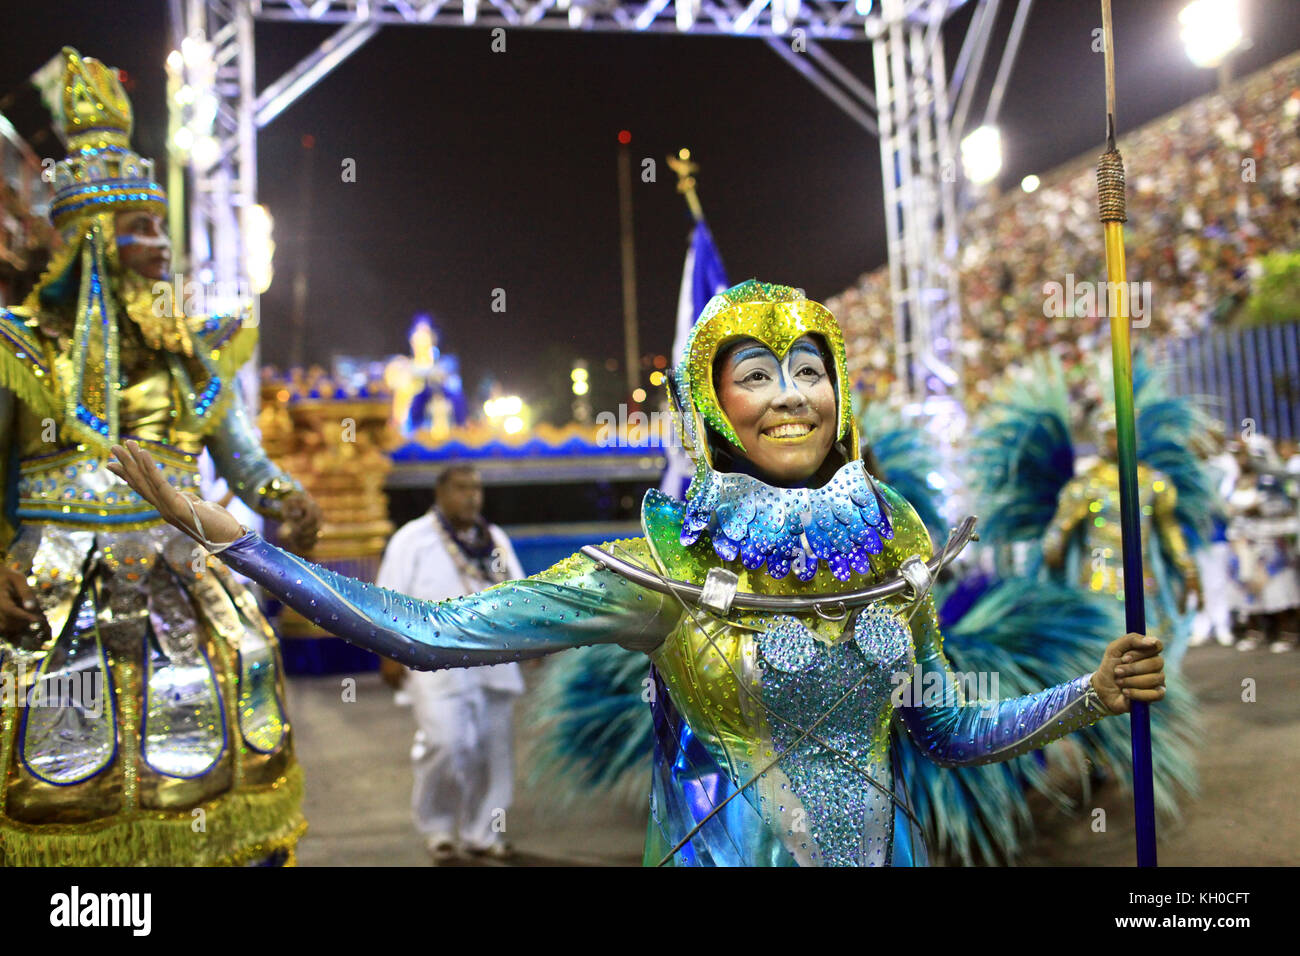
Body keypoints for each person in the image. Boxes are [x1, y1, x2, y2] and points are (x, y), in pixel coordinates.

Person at [109, 279, 1165, 867]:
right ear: (713, 406)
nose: (791, 395)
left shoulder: (890, 538)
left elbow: (939, 730)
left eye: (810, 370)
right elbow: (431, 631)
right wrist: (227, 533)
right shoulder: (664, 561)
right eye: (756, 374)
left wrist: (1090, 695)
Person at [0, 49, 321, 866]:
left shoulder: (195, 357)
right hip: (53, 581)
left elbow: (245, 461)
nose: (160, 245)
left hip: (184, 572)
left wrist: (286, 496)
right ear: (92, 245)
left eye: (159, 227)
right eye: (139, 229)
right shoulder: (23, 348)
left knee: (215, 746)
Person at [376, 465, 523, 862]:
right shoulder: (412, 539)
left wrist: (531, 642)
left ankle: (484, 834)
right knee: (445, 743)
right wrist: (389, 654)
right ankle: (438, 828)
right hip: (434, 662)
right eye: (461, 489)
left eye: (477, 488)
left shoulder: (493, 539)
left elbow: (520, 594)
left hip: (494, 660)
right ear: (440, 492)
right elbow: (387, 600)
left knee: (493, 752)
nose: (472, 497)